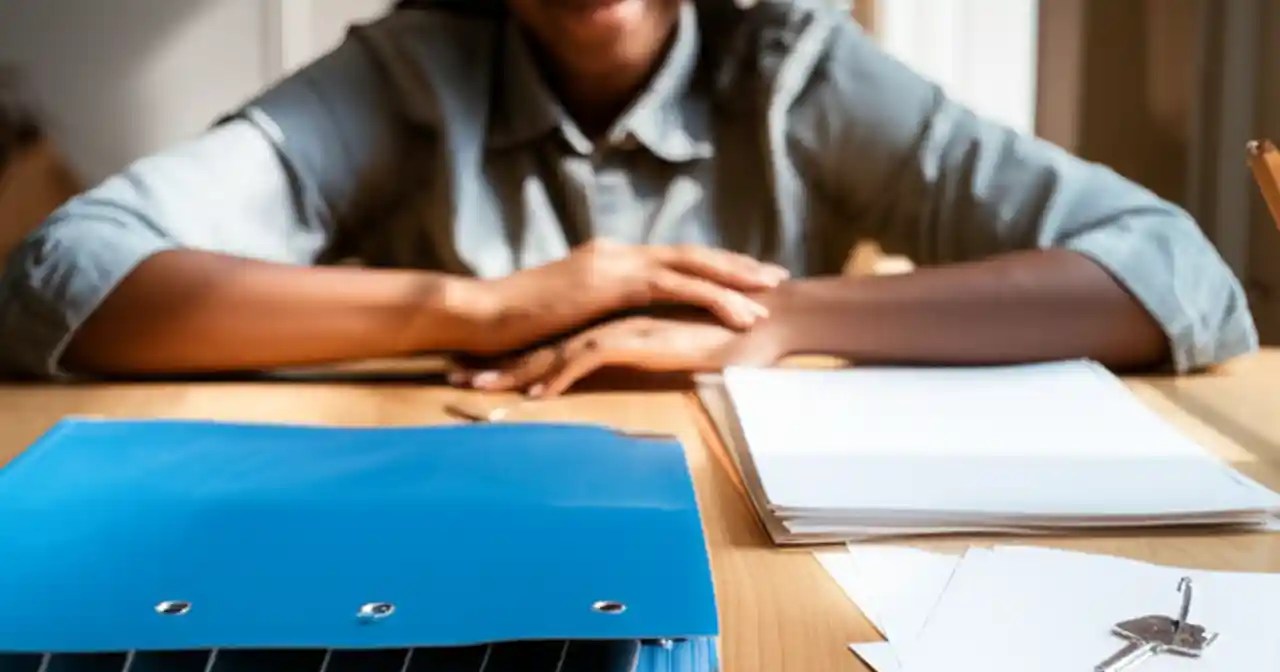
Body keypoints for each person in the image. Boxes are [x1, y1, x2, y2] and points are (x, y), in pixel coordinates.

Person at [0, 0, 1255, 396]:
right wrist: (482, 308)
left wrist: (783, 319)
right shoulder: (404, 75)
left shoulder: (800, 70)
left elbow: (1175, 275)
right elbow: (63, 277)